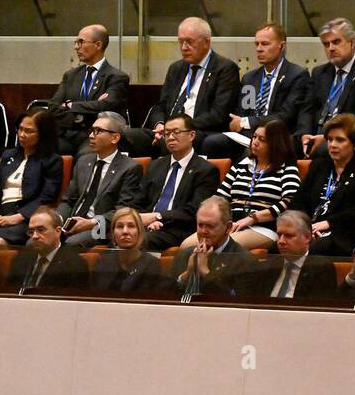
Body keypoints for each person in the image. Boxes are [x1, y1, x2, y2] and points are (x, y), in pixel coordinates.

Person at [128, 17, 240, 157]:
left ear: (206, 42)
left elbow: (218, 114)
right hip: (167, 129)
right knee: (127, 136)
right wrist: (160, 125)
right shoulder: (176, 68)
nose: (184, 47)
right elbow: (161, 106)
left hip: (198, 130)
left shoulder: (225, 68)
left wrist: (179, 128)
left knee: (174, 140)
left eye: (189, 42)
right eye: (181, 42)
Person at [203, 22, 310, 161]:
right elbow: (244, 110)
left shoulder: (296, 75)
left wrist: (246, 122)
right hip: (249, 135)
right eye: (257, 44)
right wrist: (240, 122)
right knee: (212, 142)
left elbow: (286, 115)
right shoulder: (250, 78)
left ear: (281, 46)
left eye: (265, 44)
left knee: (250, 152)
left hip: (277, 136)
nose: (259, 49)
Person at [290, 112, 355, 256]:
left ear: (354, 144)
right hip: (310, 229)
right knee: (279, 246)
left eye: (340, 140)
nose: (333, 145)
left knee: (315, 248)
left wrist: (329, 223)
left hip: (342, 231)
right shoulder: (319, 165)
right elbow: (299, 201)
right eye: (330, 139)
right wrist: (304, 226)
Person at [203, 119, 300, 251]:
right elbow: (219, 198)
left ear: (276, 144)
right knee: (188, 245)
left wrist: (254, 218)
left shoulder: (286, 168)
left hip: (264, 227)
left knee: (221, 245)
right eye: (254, 137)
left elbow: (290, 201)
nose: (255, 142)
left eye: (262, 139)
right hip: (232, 225)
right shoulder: (241, 166)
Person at [298, 18, 355, 155]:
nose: (331, 48)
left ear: (352, 43)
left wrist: (328, 137)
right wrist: (305, 134)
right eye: (326, 44)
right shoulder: (319, 73)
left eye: (336, 42)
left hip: (346, 137)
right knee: (285, 145)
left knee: (324, 149)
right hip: (317, 134)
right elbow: (307, 109)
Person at [133, 113, 221, 251]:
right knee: (114, 235)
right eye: (167, 133)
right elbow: (138, 200)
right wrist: (144, 221)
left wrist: (158, 217)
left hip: (178, 229)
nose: (170, 137)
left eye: (176, 132)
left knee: (143, 240)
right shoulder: (155, 165)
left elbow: (194, 211)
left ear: (192, 135)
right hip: (148, 226)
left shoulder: (206, 170)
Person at [56, 111, 141, 247]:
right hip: (74, 222)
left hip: (103, 227)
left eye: (98, 131)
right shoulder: (83, 161)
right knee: (39, 240)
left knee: (71, 244)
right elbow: (69, 200)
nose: (91, 135)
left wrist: (91, 223)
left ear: (115, 138)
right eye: (92, 130)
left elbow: (122, 210)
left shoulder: (130, 168)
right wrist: (57, 220)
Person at [0, 107, 63, 247]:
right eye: (20, 129)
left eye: (29, 131)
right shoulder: (8, 155)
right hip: (0, 215)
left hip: (28, 218)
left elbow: (46, 197)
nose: (22, 135)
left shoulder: (52, 160)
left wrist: (19, 216)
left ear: (43, 134)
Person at [48, 24, 131, 155]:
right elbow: (53, 107)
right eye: (76, 42)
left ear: (98, 45)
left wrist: (70, 105)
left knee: (86, 157)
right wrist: (84, 113)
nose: (76, 47)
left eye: (81, 42)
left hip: (96, 134)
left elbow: (107, 106)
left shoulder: (116, 77)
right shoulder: (71, 75)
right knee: (43, 150)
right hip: (67, 132)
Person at [171, 196, 260, 296]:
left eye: (210, 226)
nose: (203, 231)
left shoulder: (245, 261)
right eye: (200, 225)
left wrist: (205, 272)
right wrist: (186, 275)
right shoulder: (184, 255)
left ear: (228, 227)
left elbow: (238, 302)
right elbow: (165, 297)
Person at [253, 210, 340, 300]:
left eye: (289, 235)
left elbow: (318, 306)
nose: (281, 241)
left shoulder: (321, 267)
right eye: (279, 235)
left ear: (307, 237)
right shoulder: (269, 266)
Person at [5, 206, 88, 291]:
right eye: (31, 232)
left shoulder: (75, 264)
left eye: (41, 230)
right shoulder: (20, 260)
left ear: (58, 231)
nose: (34, 236)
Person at [91, 207, 163, 293]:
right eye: (120, 226)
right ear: (113, 233)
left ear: (140, 232)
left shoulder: (151, 264)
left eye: (131, 226)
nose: (125, 231)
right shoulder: (103, 261)